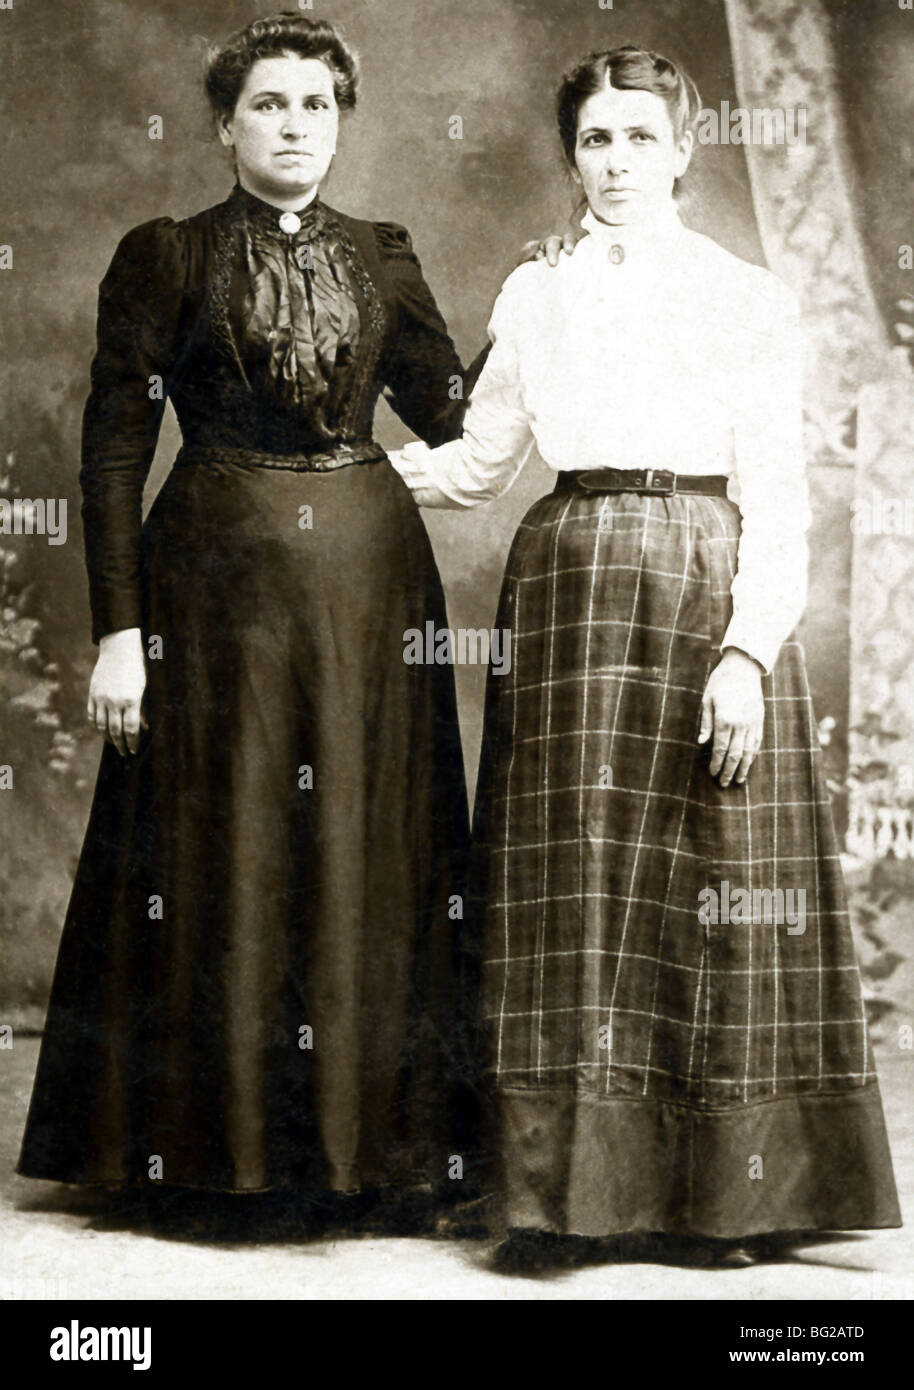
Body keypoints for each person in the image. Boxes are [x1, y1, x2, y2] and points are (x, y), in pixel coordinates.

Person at [16, 12, 568, 1228]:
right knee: (229, 845)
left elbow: (454, 417)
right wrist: (119, 632)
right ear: (223, 125)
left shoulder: (382, 254)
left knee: (365, 849)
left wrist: (545, 295)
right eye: (269, 104)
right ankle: (222, 1163)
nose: (295, 127)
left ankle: (369, 1157)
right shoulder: (163, 255)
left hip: (369, 596)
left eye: (315, 105)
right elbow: (113, 455)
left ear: (340, 121)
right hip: (209, 595)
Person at [391, 44, 902, 1268]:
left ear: (683, 148)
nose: (615, 162)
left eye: (639, 137)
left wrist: (741, 652)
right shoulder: (536, 293)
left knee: (703, 873)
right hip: (565, 574)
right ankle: (561, 1197)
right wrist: (326, 471)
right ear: (571, 158)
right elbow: (476, 461)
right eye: (593, 140)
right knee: (563, 876)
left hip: (700, 578)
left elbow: (778, 494)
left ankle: (721, 1197)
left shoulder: (744, 295)